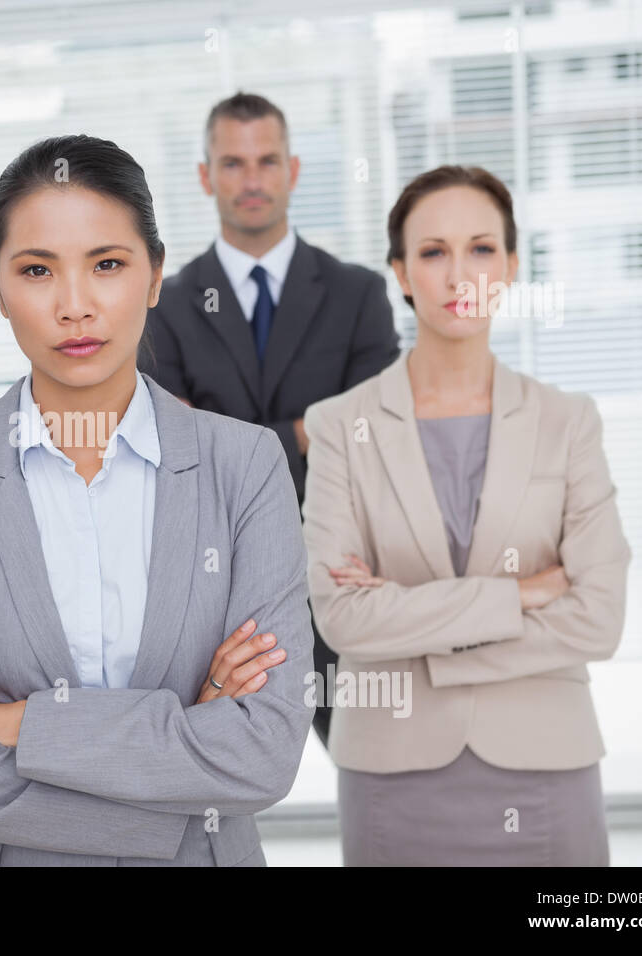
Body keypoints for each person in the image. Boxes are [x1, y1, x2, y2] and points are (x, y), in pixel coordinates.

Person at [0, 134, 315, 866]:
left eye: (107, 265)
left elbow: (262, 755)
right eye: (38, 270)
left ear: (154, 274)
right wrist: (181, 746)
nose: (74, 307)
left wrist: (22, 725)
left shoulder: (245, 464)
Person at [301, 164, 631, 866]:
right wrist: (522, 593)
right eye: (432, 252)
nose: (459, 276)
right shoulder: (339, 426)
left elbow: (599, 616)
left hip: (548, 762)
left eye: (481, 249)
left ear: (511, 266)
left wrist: (418, 635)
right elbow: (342, 617)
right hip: (392, 771)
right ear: (400, 272)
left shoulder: (567, 422)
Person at [138, 91, 399, 749]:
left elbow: (375, 438)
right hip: (213, 595)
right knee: (201, 783)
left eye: (266, 161)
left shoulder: (357, 294)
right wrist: (307, 432)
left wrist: (230, 438)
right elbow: (172, 455)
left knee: (380, 771)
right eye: (232, 163)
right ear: (205, 176)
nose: (251, 180)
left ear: (293, 169)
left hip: (340, 574)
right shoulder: (161, 305)